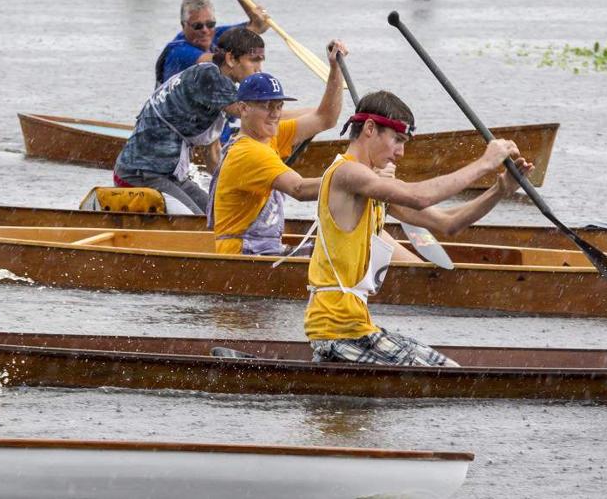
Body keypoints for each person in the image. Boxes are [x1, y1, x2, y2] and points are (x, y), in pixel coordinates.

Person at [304, 90, 534, 367]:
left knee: (451, 370)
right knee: (446, 380)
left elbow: (449, 223)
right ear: (369, 128)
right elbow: (420, 196)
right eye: (397, 140)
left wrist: (499, 190)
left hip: (359, 329)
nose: (400, 153)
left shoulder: (376, 187)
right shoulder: (347, 173)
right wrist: (485, 163)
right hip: (335, 335)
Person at [206, 40, 348, 256]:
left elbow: (325, 118)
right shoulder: (250, 152)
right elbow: (299, 189)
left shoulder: (268, 136)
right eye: (266, 106)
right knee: (341, 252)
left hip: (265, 248)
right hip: (243, 253)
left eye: (278, 106)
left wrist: (335, 69)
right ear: (243, 108)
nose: (274, 113)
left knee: (342, 247)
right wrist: (353, 182)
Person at [114, 28, 265, 214]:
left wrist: (233, 190)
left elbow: (213, 151)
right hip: (140, 174)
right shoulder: (210, 75)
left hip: (171, 175)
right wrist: (310, 118)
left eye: (261, 61)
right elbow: (255, 115)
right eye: (254, 60)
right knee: (201, 225)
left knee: (219, 215)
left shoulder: (215, 92)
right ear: (231, 59)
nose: (260, 69)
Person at [156, 0, 270, 86]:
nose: (205, 30)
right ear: (183, 25)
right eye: (197, 26)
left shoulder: (216, 34)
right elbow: (221, 61)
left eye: (210, 24)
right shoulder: (178, 51)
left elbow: (259, 26)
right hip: (179, 114)